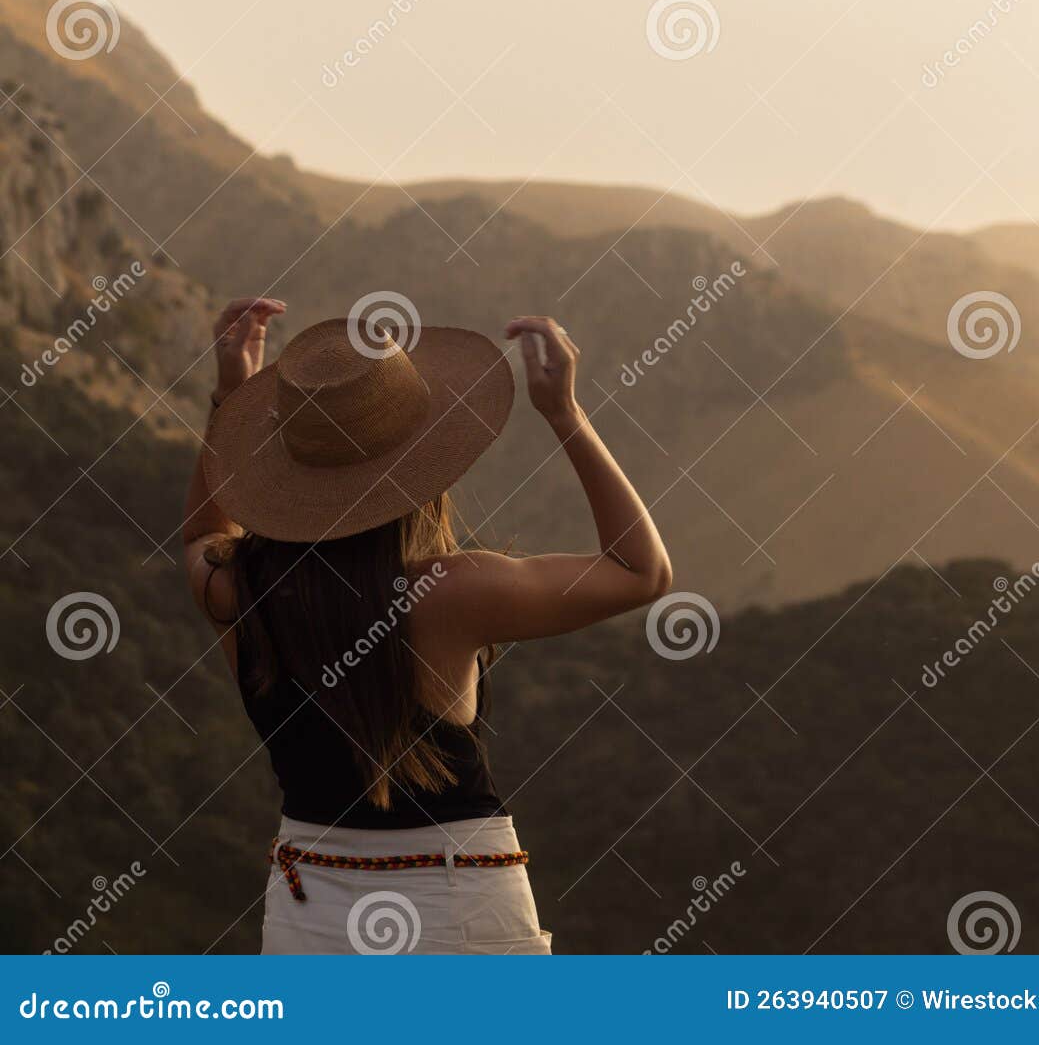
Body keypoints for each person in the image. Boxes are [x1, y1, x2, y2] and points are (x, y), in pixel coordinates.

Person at [183, 297, 673, 955]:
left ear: (285, 473)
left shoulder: (235, 589)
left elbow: (205, 533)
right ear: (421, 471)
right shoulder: (454, 592)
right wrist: (565, 414)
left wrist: (228, 399)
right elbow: (640, 572)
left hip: (309, 912)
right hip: (460, 904)